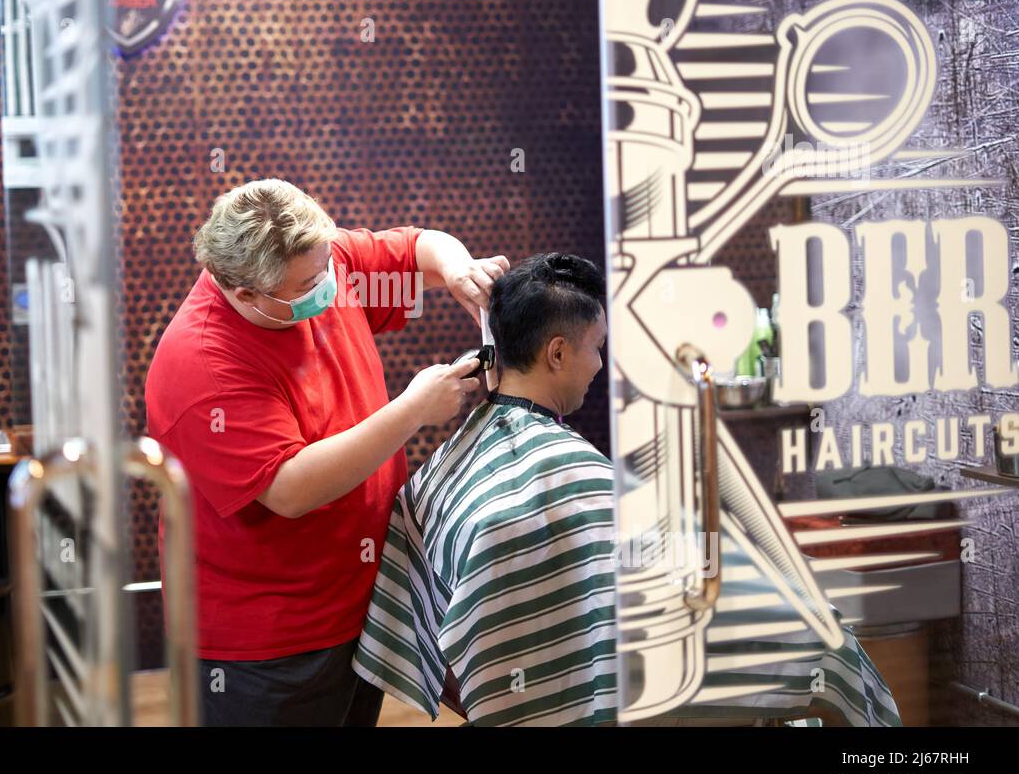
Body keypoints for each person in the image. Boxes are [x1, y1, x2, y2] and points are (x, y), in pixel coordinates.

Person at [352, 252, 901, 726]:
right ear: (558, 354)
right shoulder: (572, 482)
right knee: (829, 649)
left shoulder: (454, 458)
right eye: (596, 347)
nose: (599, 364)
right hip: (613, 688)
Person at [145, 178, 509, 726]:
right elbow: (291, 489)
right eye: (310, 283)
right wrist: (412, 410)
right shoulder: (202, 365)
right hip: (266, 648)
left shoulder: (318, 261)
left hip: (357, 607)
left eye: (328, 269)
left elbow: (416, 250)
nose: (330, 287)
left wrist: (457, 269)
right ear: (244, 292)